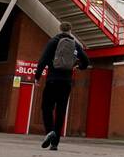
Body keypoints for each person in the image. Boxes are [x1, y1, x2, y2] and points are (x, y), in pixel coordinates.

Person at [33, 22, 88, 150]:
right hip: (66, 82)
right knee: (61, 111)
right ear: (70, 30)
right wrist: (77, 66)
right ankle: (55, 143)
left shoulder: (53, 41)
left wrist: (37, 77)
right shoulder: (76, 45)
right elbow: (86, 62)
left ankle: (50, 131)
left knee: (47, 107)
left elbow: (43, 60)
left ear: (60, 29)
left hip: (52, 81)